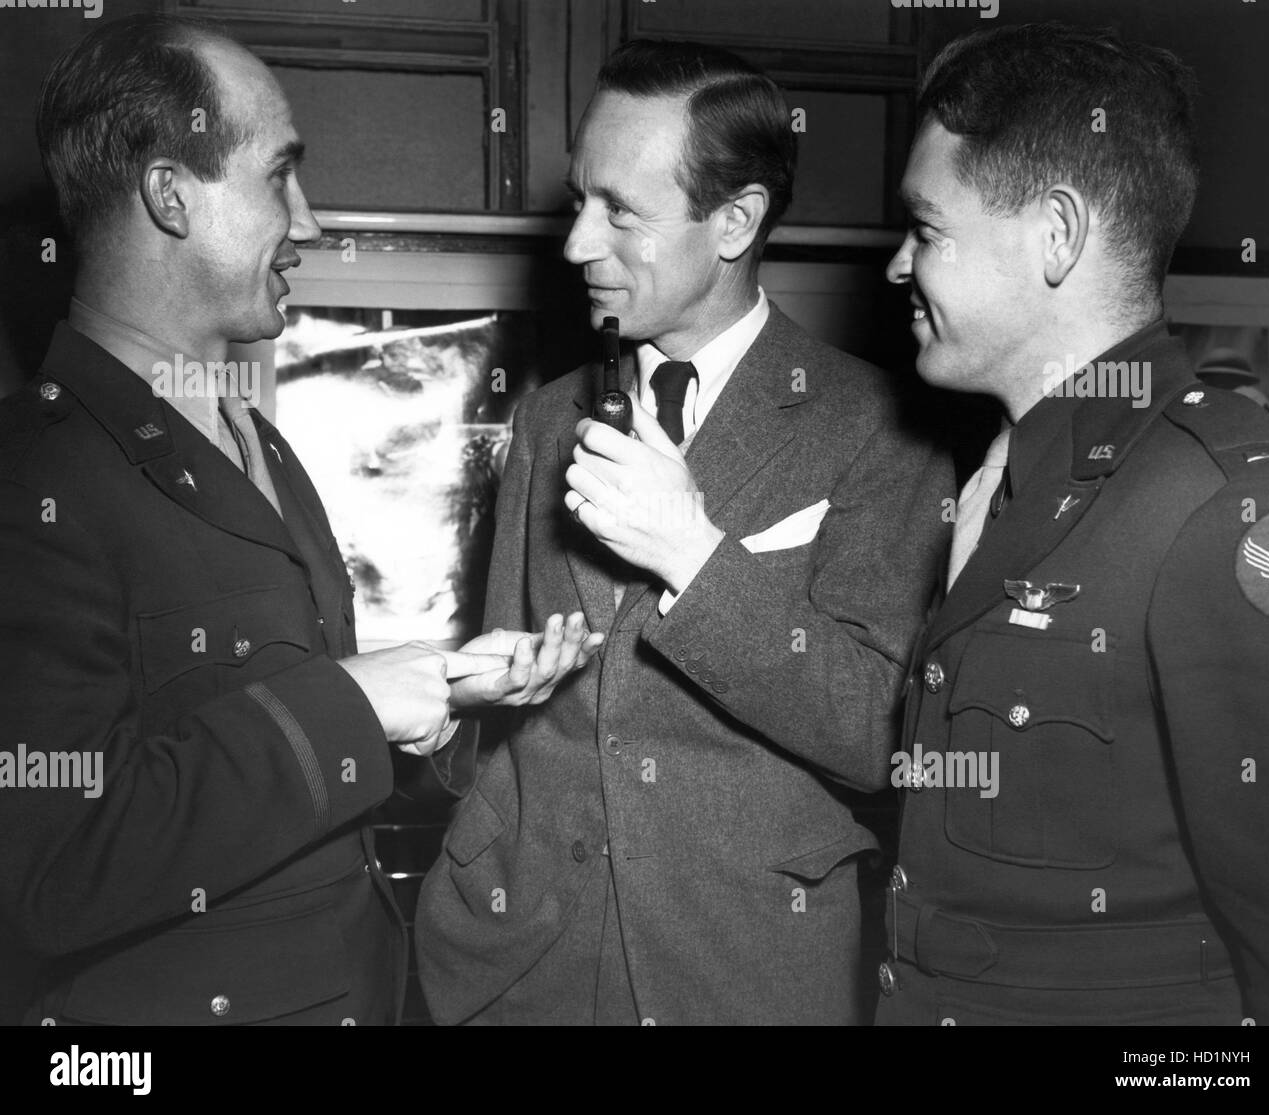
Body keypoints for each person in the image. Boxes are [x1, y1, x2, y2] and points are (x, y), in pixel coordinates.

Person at [0, 13, 598, 1026]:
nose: (311, 222)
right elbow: (51, 867)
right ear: (169, 196)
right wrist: (356, 704)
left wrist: (445, 694)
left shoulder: (253, 443)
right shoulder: (34, 472)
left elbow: (284, 765)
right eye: (279, 174)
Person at [416, 38, 952, 1026]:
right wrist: (456, 705)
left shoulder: (881, 431)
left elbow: (881, 733)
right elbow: (501, 713)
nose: (578, 243)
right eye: (581, 200)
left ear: (735, 220)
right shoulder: (546, 418)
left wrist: (693, 559)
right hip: (516, 966)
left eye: (620, 210)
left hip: (742, 971)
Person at [877, 22, 1269, 1026]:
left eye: (926, 230)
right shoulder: (1008, 480)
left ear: (1056, 235)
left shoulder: (1225, 507)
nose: (897, 266)